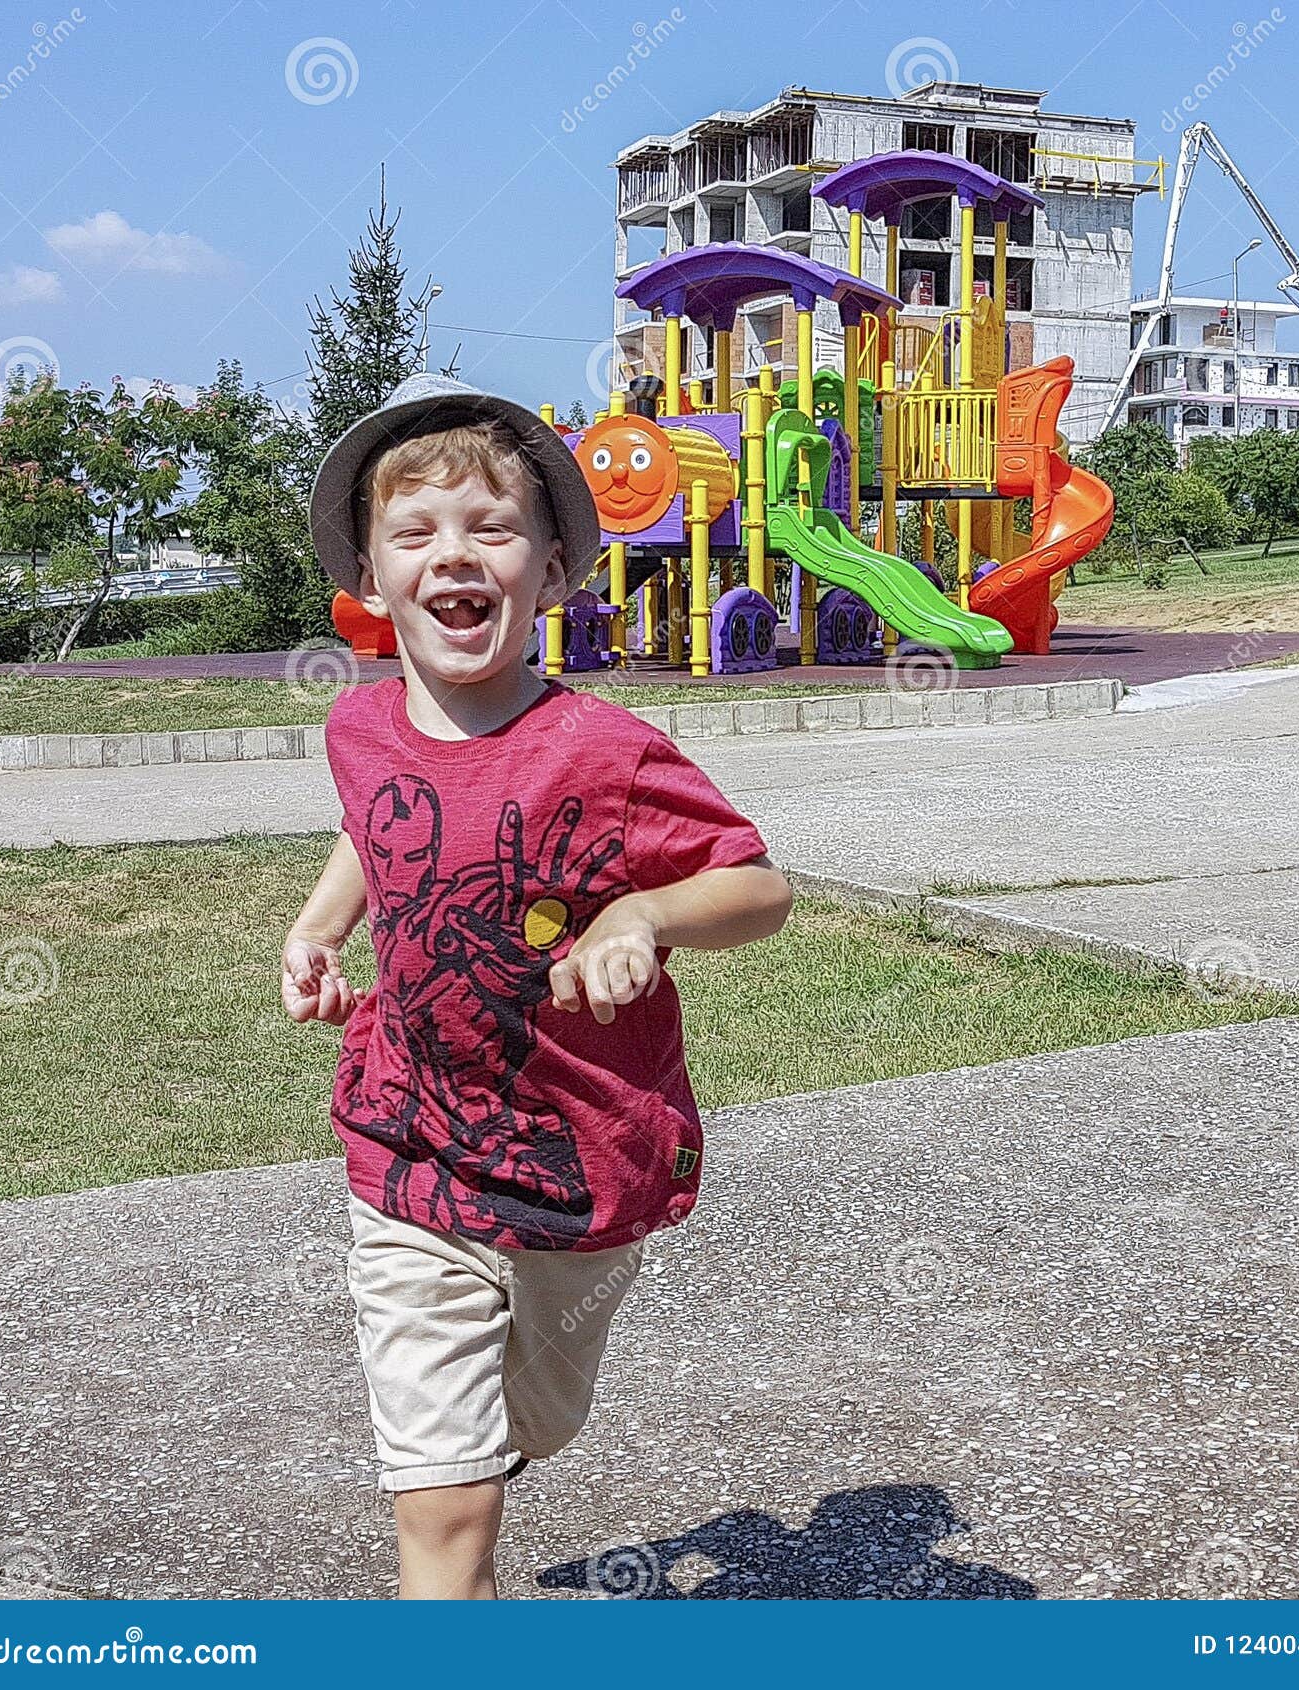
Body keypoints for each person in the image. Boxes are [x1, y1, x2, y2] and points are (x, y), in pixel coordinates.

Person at [282, 374, 792, 1599]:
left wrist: (645, 909)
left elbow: (758, 888)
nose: (452, 554)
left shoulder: (606, 753)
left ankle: (489, 1455)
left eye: (490, 528)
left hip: (579, 1167)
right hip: (403, 1148)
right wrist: (318, 926)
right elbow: (374, 826)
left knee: (536, 1424)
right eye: (415, 533)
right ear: (370, 579)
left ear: (552, 570)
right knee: (443, 1502)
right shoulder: (358, 730)